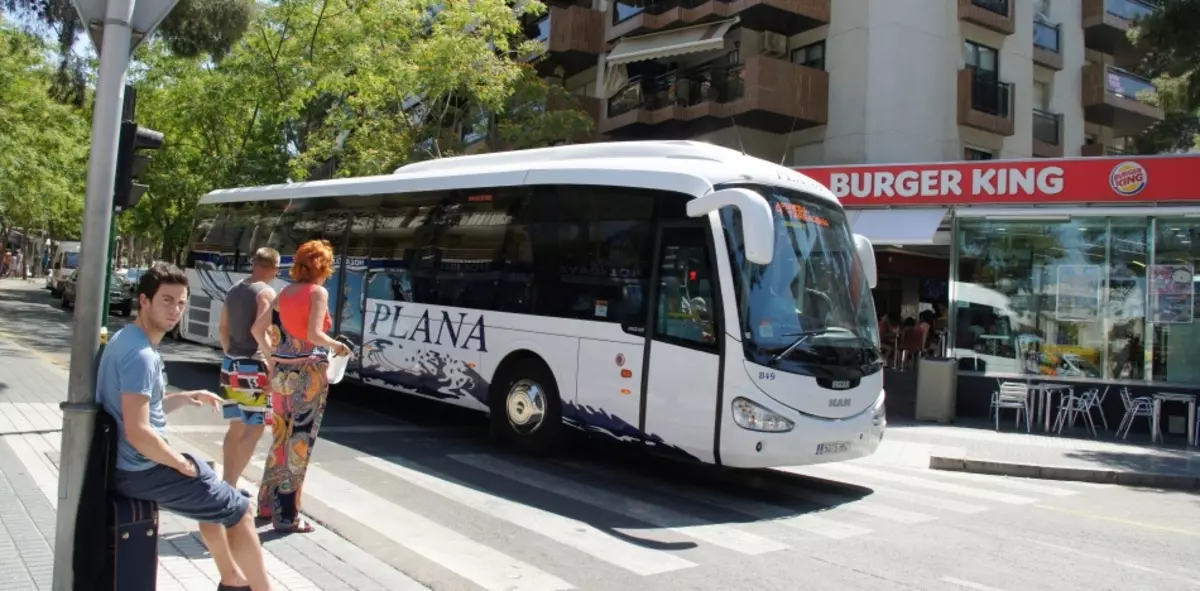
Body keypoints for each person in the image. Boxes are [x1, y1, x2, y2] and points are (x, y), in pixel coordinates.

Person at [96, 262, 271, 591]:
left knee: (210, 475)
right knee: (239, 509)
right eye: (166, 300)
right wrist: (179, 464)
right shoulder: (141, 356)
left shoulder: (126, 339)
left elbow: (143, 409)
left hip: (127, 463)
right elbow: (139, 431)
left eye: (181, 302)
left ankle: (232, 578)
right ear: (144, 301)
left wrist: (187, 396)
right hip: (139, 469)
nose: (175, 309)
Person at [257, 239, 351, 533]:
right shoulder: (318, 292)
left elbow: (258, 329)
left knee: (280, 437)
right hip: (309, 374)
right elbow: (313, 332)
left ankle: (265, 505)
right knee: (299, 442)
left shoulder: (284, 292)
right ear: (322, 265)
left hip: (282, 373)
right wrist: (337, 344)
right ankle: (287, 516)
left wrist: (274, 357)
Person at [218, 247, 281, 487]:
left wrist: (229, 353)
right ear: (273, 268)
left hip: (231, 364)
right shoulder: (266, 292)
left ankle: (226, 481)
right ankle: (232, 485)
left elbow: (222, 328)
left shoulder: (234, 290)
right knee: (255, 429)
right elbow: (259, 330)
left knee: (235, 427)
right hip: (253, 366)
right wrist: (272, 361)